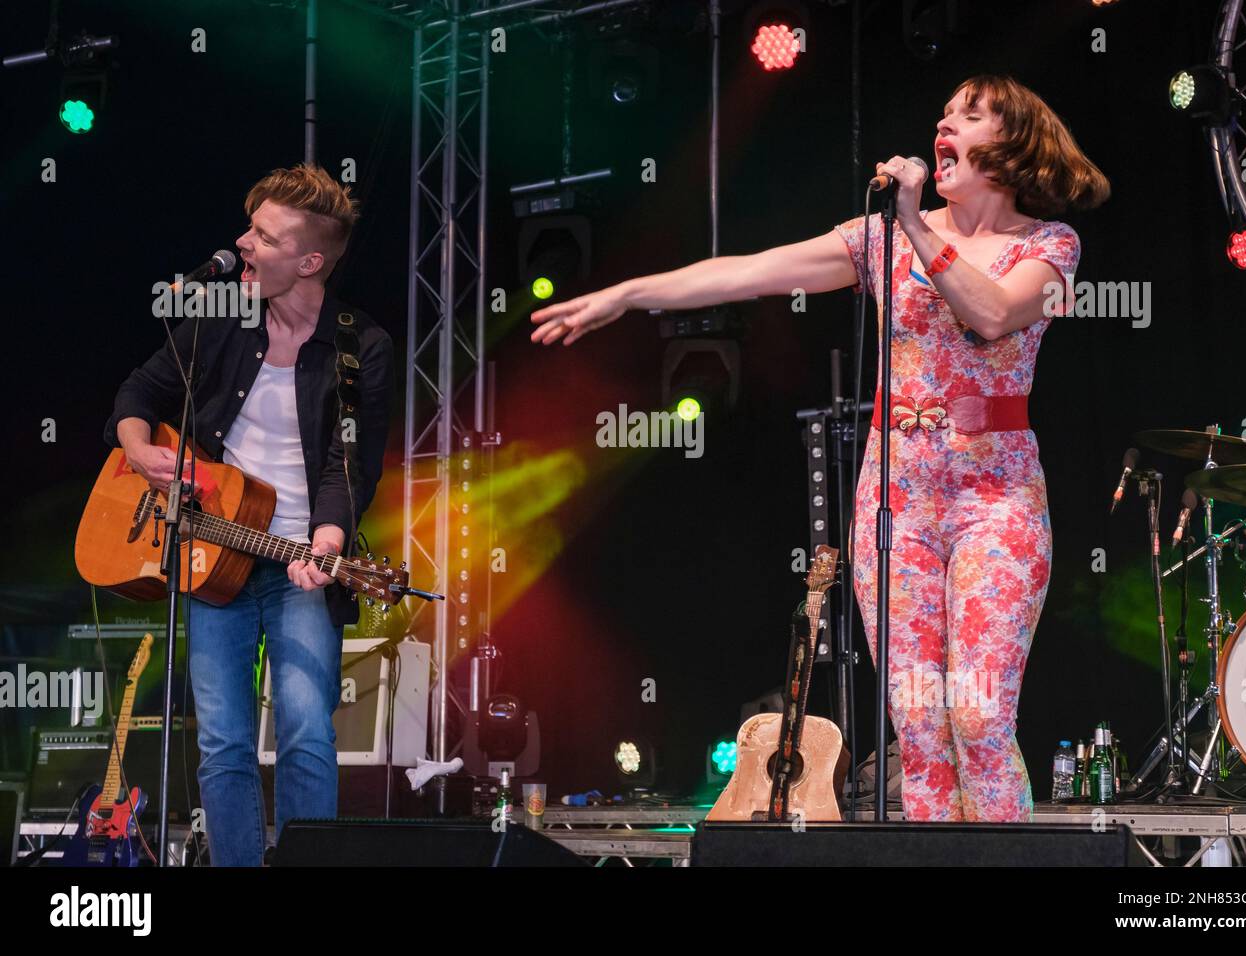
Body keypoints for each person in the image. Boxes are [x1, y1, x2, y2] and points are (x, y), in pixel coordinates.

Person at [530, 75, 1109, 821]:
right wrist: (629, 293)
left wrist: (915, 224)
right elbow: (749, 270)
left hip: (996, 502)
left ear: (1014, 146)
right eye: (943, 110)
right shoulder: (879, 240)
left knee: (978, 719)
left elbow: (994, 313)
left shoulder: (1049, 244)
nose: (943, 123)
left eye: (968, 115)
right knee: (922, 732)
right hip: (894, 504)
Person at [105, 163, 395, 863]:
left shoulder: (362, 349)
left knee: (304, 732)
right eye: (250, 229)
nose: (242, 245)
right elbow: (139, 393)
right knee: (224, 742)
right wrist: (140, 450)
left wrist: (326, 541)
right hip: (215, 557)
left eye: (262, 237)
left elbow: (351, 466)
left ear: (309, 260)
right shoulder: (221, 324)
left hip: (301, 559)